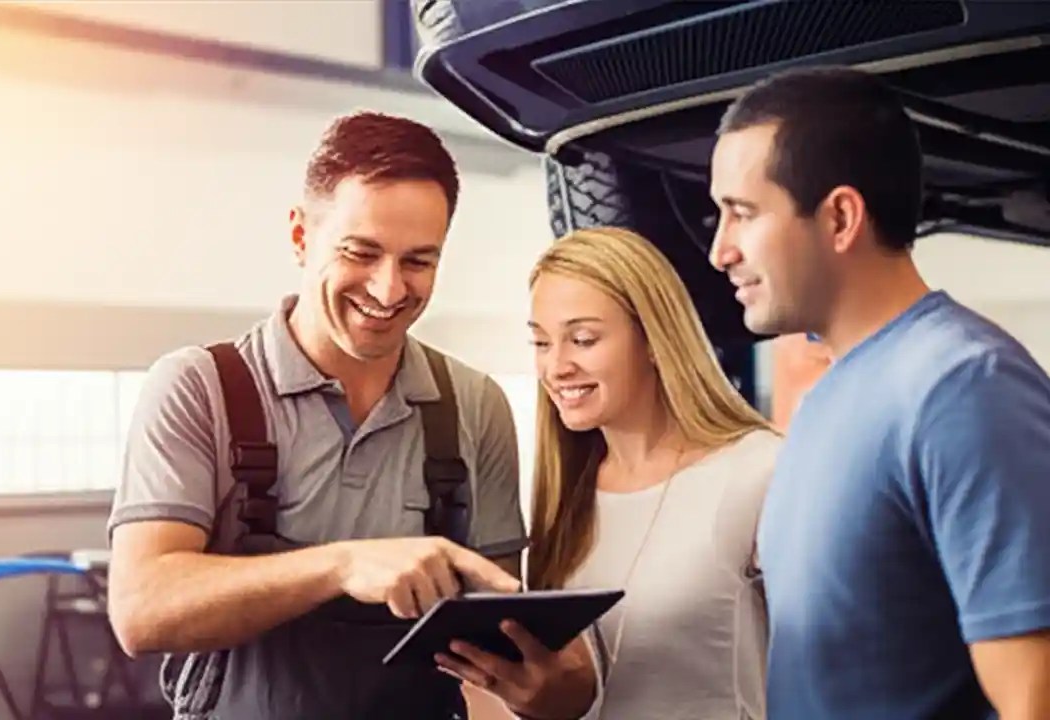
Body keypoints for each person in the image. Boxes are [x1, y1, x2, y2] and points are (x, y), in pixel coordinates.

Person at [105, 111, 596, 720]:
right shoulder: (198, 389)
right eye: (361, 252)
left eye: (419, 261)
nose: (389, 290)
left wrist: (553, 694)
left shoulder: (475, 406)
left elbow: (487, 657)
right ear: (299, 236)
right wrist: (343, 565)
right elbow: (140, 609)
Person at [708, 65, 1050, 719]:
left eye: (742, 215)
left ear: (840, 217)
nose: (720, 250)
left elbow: (1035, 698)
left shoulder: (965, 389)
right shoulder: (833, 396)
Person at [437, 226, 781, 719]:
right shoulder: (566, 495)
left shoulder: (758, 471)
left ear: (655, 340)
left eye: (582, 339)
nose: (556, 366)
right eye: (540, 342)